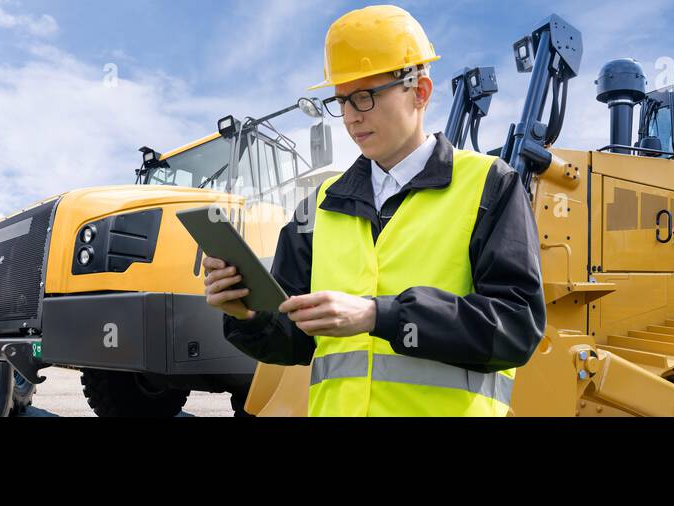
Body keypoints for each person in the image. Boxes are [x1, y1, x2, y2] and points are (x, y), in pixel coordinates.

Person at [203, 4, 545, 416]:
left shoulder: (490, 184)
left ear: (420, 92)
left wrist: (377, 316)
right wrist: (246, 314)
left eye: (364, 97)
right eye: (341, 100)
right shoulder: (320, 205)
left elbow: (516, 328)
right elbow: (290, 343)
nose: (350, 117)